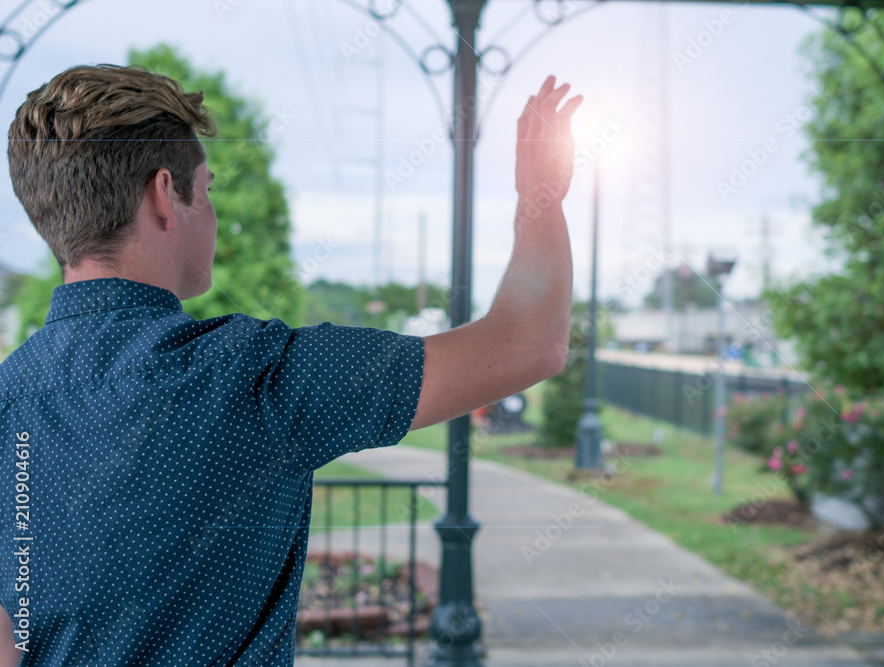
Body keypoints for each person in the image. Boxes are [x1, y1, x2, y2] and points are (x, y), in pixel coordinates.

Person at [0, 64, 581, 665]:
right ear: (163, 196)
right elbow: (530, 341)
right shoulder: (252, 377)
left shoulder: (6, 397)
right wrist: (540, 196)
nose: (214, 212)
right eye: (208, 189)